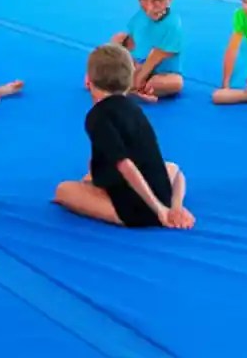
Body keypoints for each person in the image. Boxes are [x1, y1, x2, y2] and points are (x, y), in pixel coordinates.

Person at [54, 44, 194, 229]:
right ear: (128, 82)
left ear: (88, 81)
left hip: (136, 210)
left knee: (63, 190)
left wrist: (158, 209)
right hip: (161, 193)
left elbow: (125, 165)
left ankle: (162, 210)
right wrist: (171, 205)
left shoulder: (97, 117)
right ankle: (176, 208)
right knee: (172, 167)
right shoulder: (134, 109)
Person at [112, 0, 184, 100]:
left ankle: (135, 89)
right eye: (143, 0)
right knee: (118, 38)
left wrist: (137, 79)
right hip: (138, 65)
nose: (150, 7)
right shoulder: (139, 17)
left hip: (160, 73)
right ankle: (139, 90)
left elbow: (155, 56)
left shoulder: (173, 24)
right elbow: (131, 44)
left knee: (175, 83)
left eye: (158, 0)